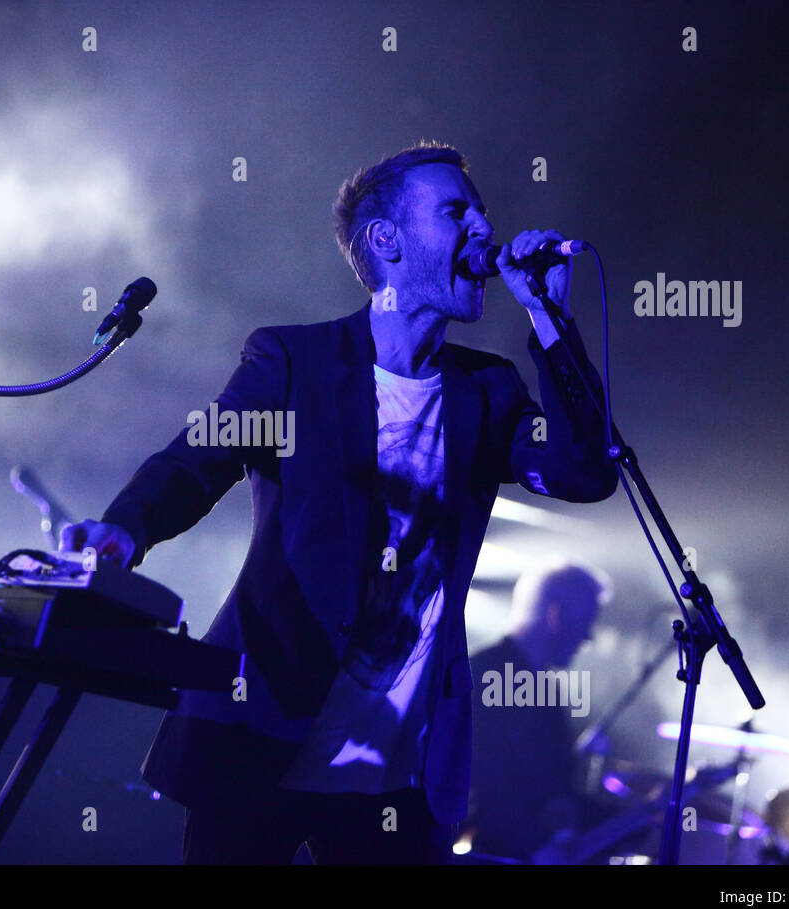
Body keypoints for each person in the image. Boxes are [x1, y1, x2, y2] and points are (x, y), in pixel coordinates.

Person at [62, 140, 618, 864]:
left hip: (399, 769)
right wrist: (123, 530)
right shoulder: (297, 363)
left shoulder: (491, 390)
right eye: (456, 211)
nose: (483, 228)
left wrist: (549, 316)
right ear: (385, 241)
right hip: (264, 733)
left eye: (481, 210)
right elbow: (196, 461)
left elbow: (585, 471)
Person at [464, 559, 612, 863]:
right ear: (554, 615)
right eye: (586, 620)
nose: (589, 637)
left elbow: (548, 796)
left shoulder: (544, 687)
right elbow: (479, 788)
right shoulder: (483, 676)